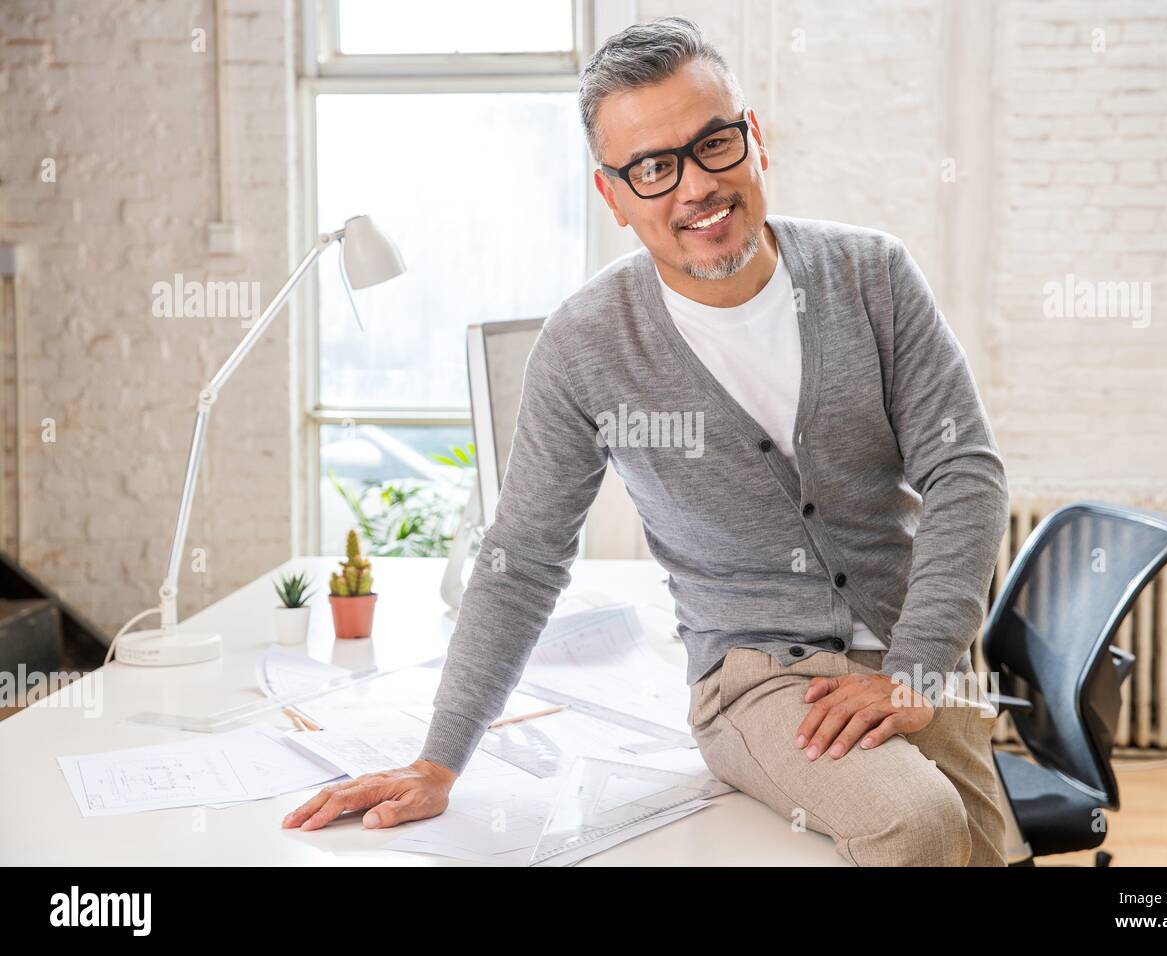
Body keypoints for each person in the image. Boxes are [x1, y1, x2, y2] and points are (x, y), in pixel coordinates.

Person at [284, 16, 1010, 866]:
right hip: (754, 679)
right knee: (917, 823)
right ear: (614, 196)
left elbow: (965, 472)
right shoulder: (587, 344)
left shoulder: (873, 276)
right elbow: (523, 558)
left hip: (904, 649)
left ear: (755, 140)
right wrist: (439, 760)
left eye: (714, 145)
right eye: (653, 168)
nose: (695, 187)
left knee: (991, 848)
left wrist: (918, 665)